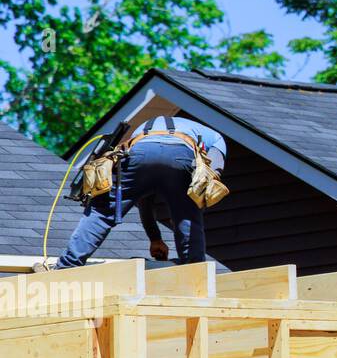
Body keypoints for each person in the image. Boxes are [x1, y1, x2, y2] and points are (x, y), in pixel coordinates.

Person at [34, 116, 228, 271]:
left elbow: (144, 200)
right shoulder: (216, 138)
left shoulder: (148, 126)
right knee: (187, 213)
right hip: (180, 153)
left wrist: (155, 238)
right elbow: (213, 173)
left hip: (139, 151)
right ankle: (194, 272)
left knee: (103, 212)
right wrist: (209, 181)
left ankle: (67, 266)